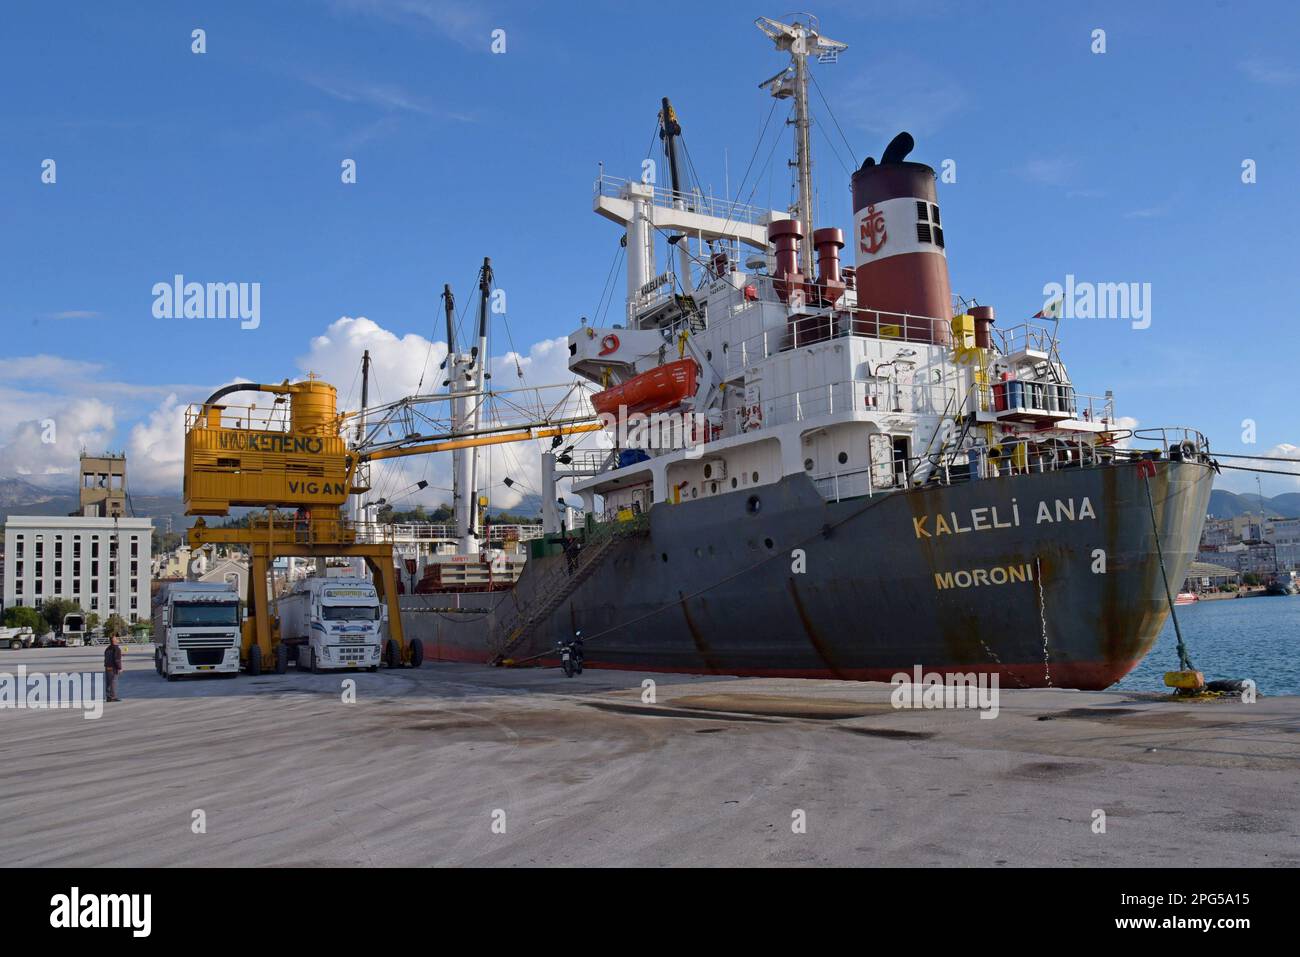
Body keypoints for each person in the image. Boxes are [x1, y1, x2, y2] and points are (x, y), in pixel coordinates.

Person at [104, 634, 123, 702]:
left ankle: (108, 697)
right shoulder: (117, 649)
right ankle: (113, 697)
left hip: (107, 667)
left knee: (108, 682)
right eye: (116, 639)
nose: (118, 640)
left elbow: (105, 658)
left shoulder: (108, 648)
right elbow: (117, 659)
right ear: (114, 641)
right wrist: (119, 668)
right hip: (113, 668)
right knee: (113, 682)